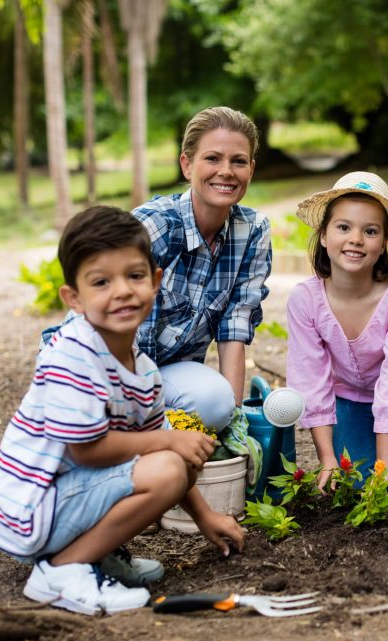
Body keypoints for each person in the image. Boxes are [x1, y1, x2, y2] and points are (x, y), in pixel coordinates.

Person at [0, 207, 245, 615]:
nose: (122, 291)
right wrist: (167, 439)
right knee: (168, 464)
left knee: (180, 459)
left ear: (156, 281)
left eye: (135, 276)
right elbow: (85, 451)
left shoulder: (141, 367)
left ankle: (93, 554)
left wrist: (205, 516)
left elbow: (167, 449)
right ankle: (61, 572)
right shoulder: (74, 354)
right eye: (101, 282)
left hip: (63, 498)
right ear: (74, 298)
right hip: (30, 509)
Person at [286, 171, 388, 490]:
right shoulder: (305, 299)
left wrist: (382, 474)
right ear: (324, 235)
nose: (356, 239)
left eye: (370, 231)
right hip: (349, 395)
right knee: (351, 484)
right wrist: (326, 457)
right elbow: (310, 379)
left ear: (383, 243)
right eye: (344, 227)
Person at [132, 106, 271, 432]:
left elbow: (235, 325)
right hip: (108, 363)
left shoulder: (252, 230)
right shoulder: (155, 225)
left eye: (238, 161)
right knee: (140, 431)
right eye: (212, 158)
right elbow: (126, 334)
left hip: (171, 370)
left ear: (251, 169)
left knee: (217, 404)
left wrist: (234, 426)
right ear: (187, 164)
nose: (226, 171)